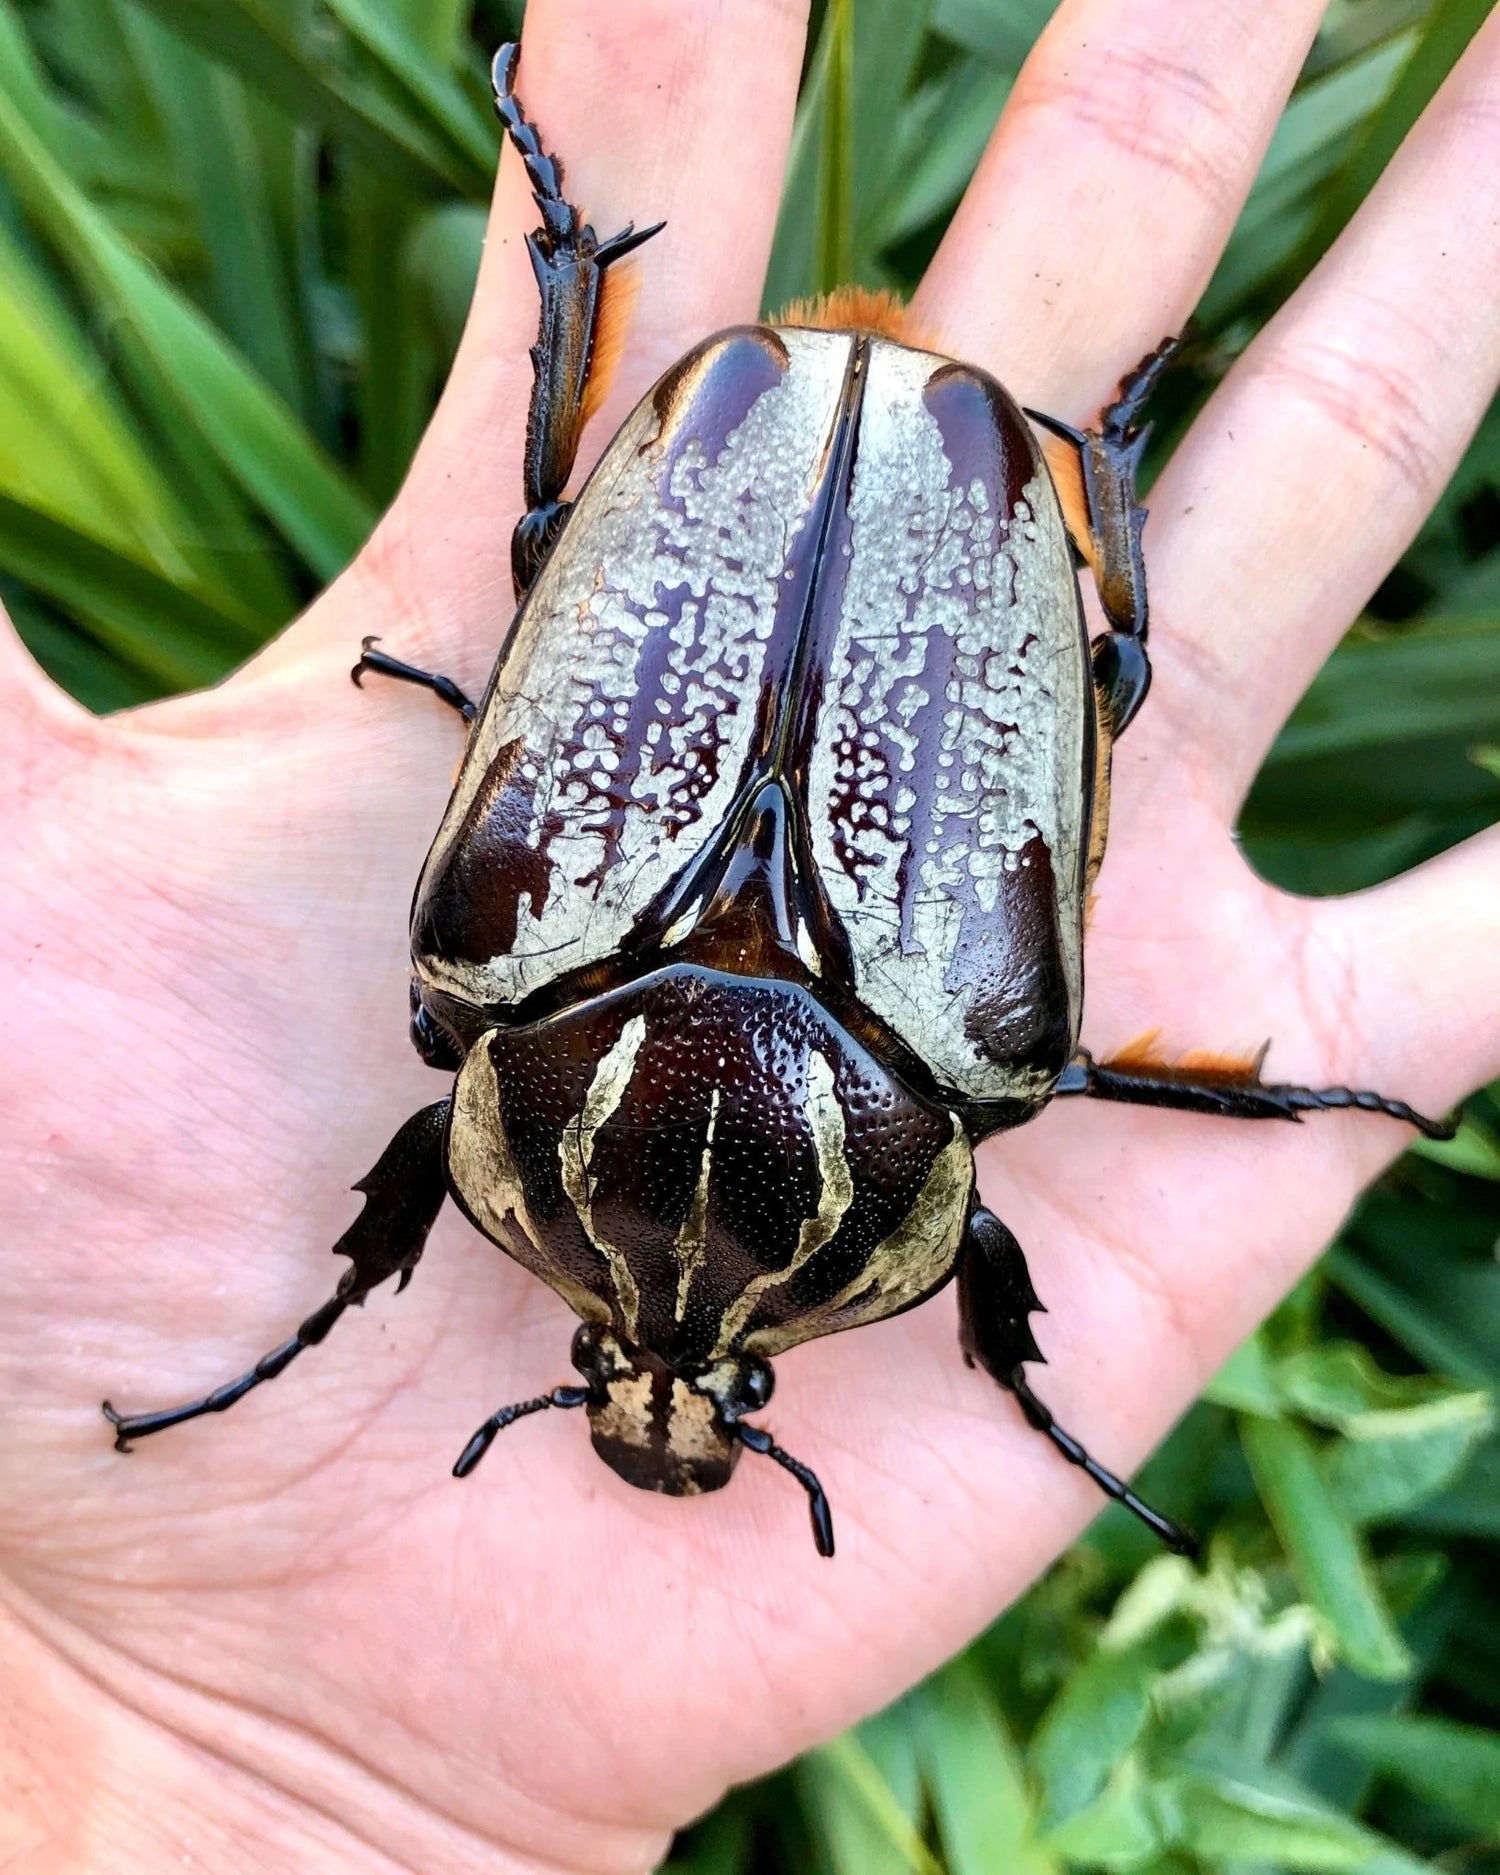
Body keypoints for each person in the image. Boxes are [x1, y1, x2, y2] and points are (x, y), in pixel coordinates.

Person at [2, 1, 1496, 1868]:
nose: (671, 1360)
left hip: (794, 463)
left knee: (1079, 671)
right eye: (741, 1376)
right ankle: (1038, 414)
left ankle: (1009, 401)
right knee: (775, 595)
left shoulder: (977, 1052)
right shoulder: (502, 974)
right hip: (882, 488)